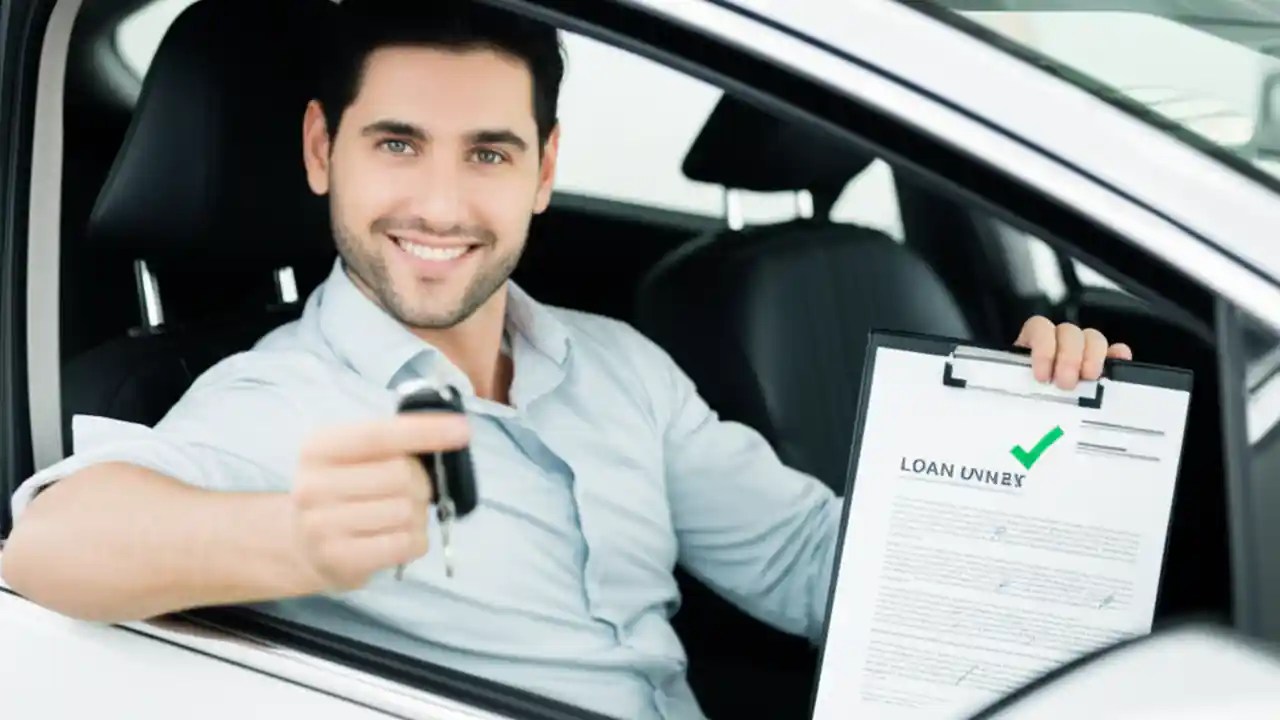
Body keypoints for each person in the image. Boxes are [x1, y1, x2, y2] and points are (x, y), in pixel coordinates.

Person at [1, 1, 1134, 718]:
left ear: (542, 171)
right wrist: (287, 536)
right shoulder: (277, 405)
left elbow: (807, 567)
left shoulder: (619, 366)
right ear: (320, 152)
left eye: (486, 153)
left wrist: (1029, 447)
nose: (439, 204)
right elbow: (51, 550)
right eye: (395, 144)